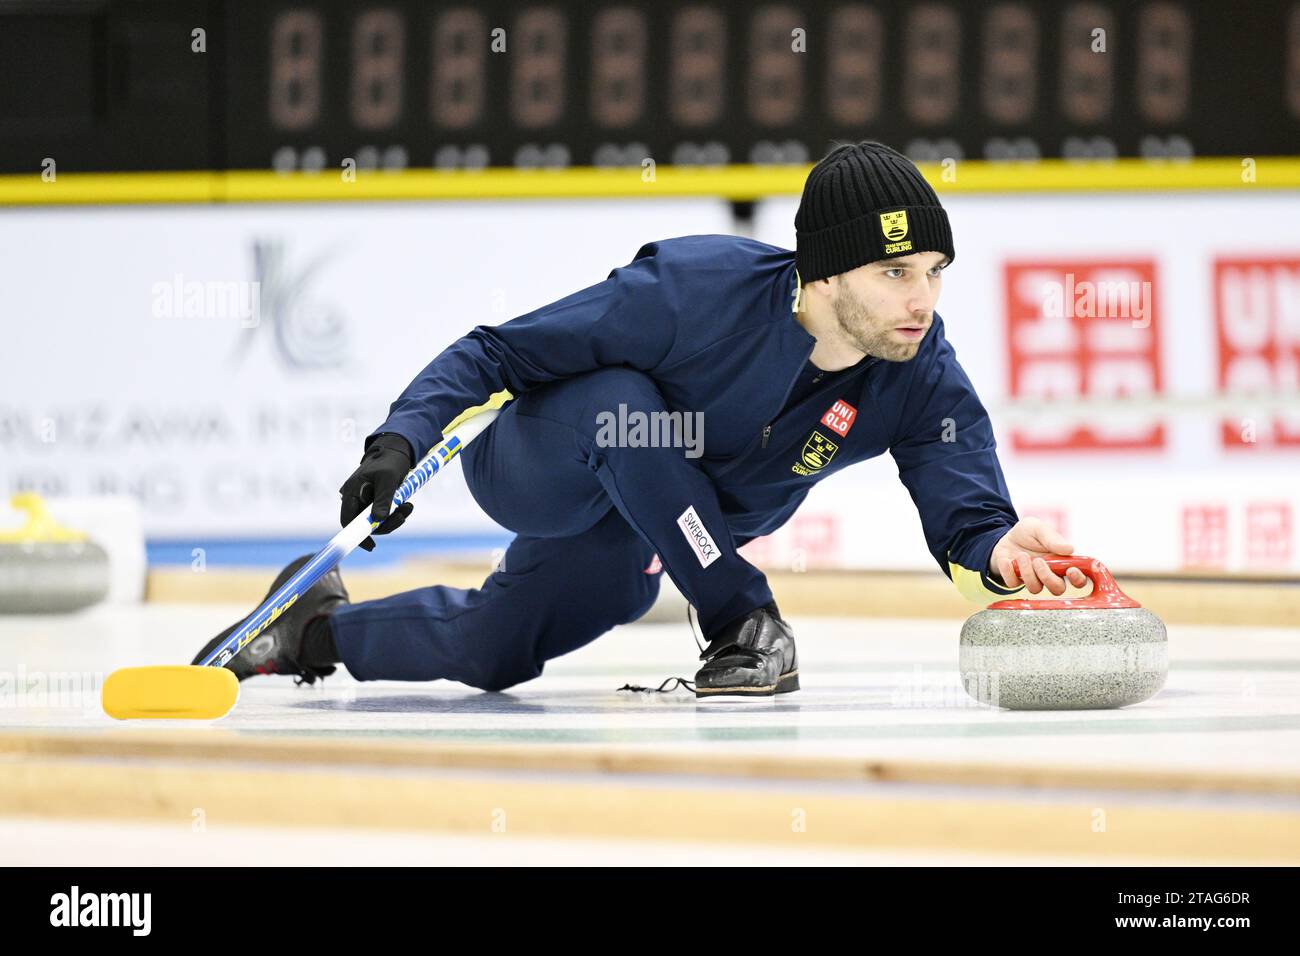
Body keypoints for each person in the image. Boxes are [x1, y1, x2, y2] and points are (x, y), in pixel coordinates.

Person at [193, 141, 1087, 698]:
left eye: (935, 270)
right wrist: (399, 443)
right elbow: (497, 352)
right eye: (897, 272)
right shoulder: (689, 293)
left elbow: (962, 499)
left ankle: (310, 628)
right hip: (543, 463)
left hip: (652, 528)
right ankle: (742, 620)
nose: (923, 299)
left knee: (495, 649)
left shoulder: (918, 365)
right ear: (824, 275)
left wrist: (997, 551)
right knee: (630, 414)